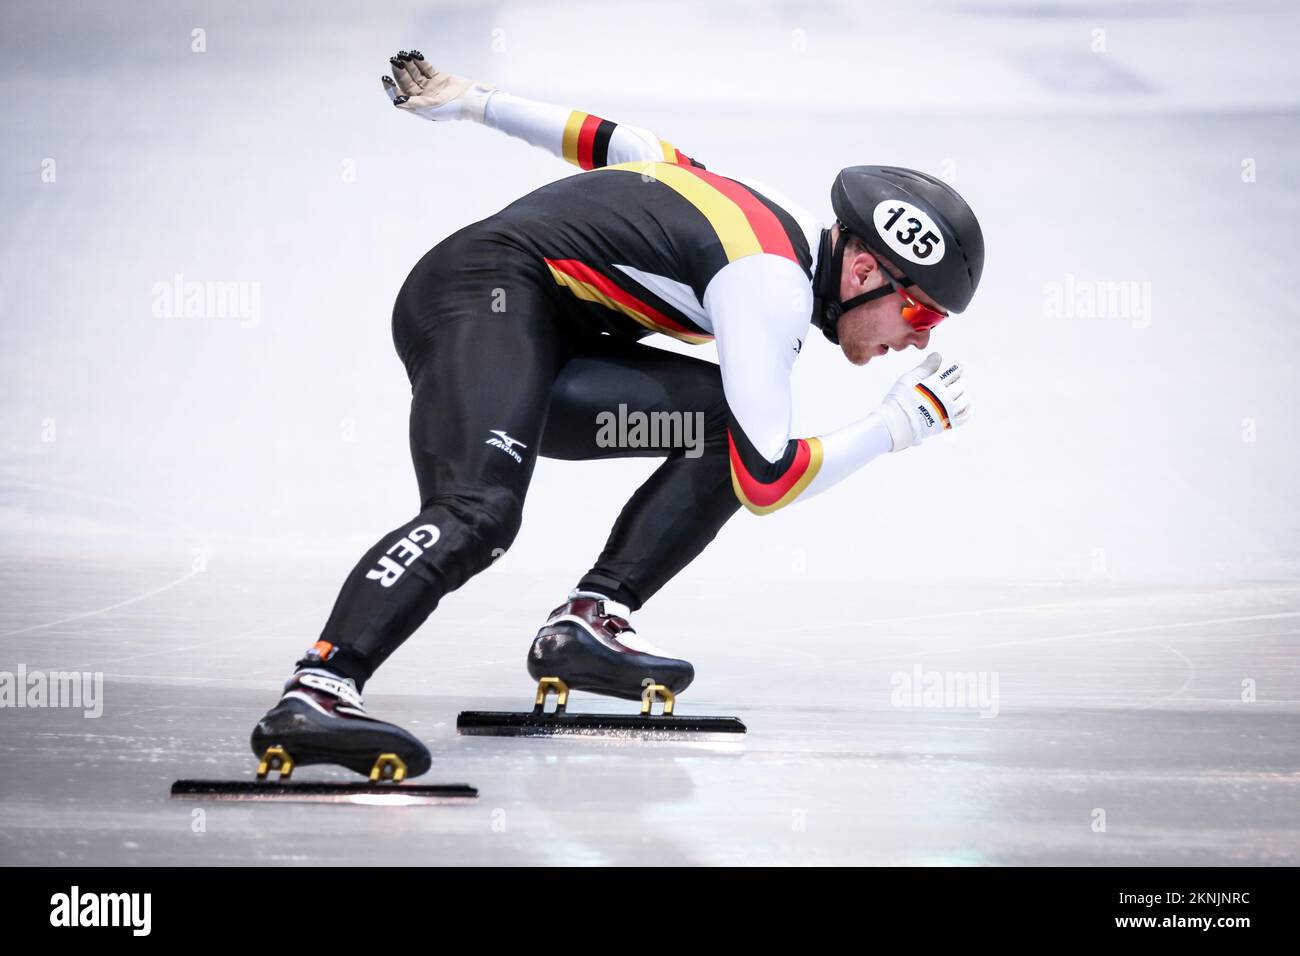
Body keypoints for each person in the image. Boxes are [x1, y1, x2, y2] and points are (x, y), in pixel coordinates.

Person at [250, 49, 985, 778]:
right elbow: (768, 483)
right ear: (864, 271)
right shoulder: (771, 283)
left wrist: (474, 100)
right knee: (478, 513)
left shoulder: (760, 213)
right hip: (483, 298)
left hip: (544, 344)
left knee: (723, 425)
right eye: (919, 308)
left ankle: (587, 622)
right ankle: (319, 687)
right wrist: (896, 427)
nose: (920, 335)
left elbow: (621, 146)